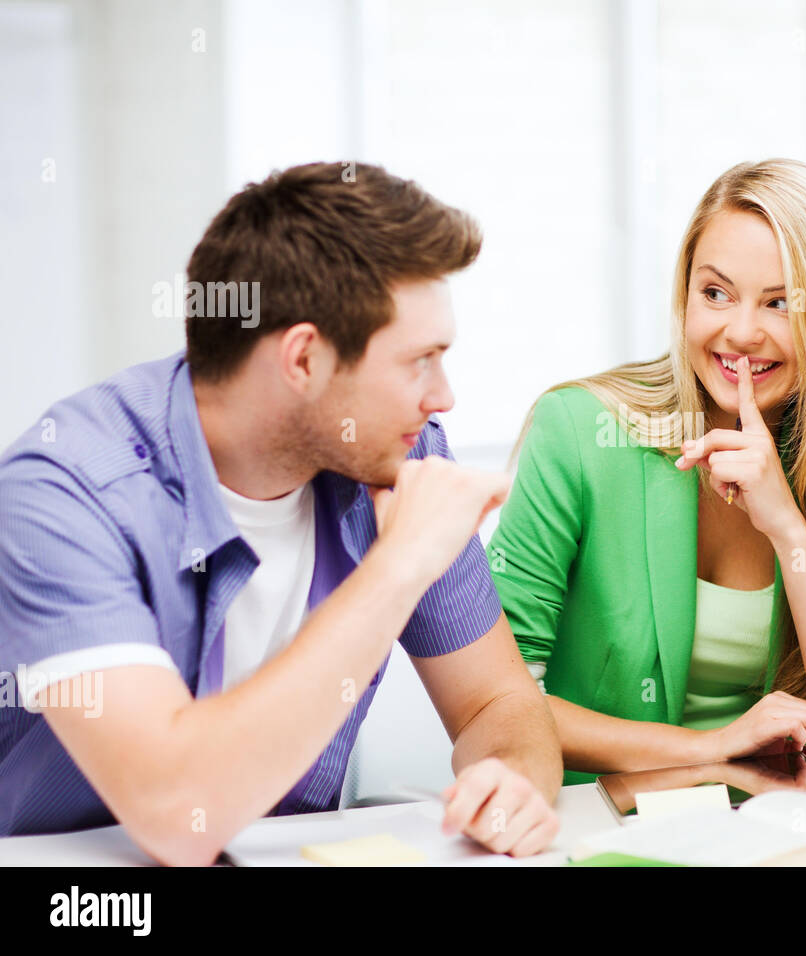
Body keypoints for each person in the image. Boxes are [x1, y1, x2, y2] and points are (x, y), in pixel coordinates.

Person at [0, 162, 562, 862]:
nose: (443, 397)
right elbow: (178, 814)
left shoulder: (399, 463)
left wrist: (509, 781)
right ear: (303, 359)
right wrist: (398, 566)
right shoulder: (62, 494)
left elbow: (498, 705)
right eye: (420, 361)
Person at [488, 158, 806, 785]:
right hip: (604, 822)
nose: (739, 332)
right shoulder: (579, 431)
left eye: (779, 304)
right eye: (715, 293)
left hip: (776, 825)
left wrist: (788, 531)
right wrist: (715, 745)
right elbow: (497, 706)